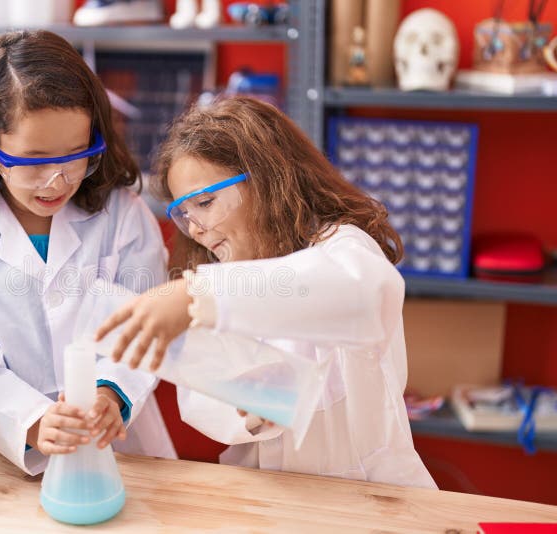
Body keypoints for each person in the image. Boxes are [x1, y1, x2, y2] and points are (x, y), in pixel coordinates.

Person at [95, 95, 436, 488]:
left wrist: (196, 295)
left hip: (373, 495)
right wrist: (250, 414)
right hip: (269, 500)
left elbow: (366, 296)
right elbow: (199, 400)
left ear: (266, 178)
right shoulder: (222, 276)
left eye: (205, 203)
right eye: (184, 214)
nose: (196, 229)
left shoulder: (342, 246)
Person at [0, 30, 175, 476]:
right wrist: (33, 420)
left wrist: (111, 392)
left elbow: (148, 323)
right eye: (34, 160)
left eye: (76, 155)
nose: (56, 181)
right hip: (11, 458)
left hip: (124, 450)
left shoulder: (123, 216)